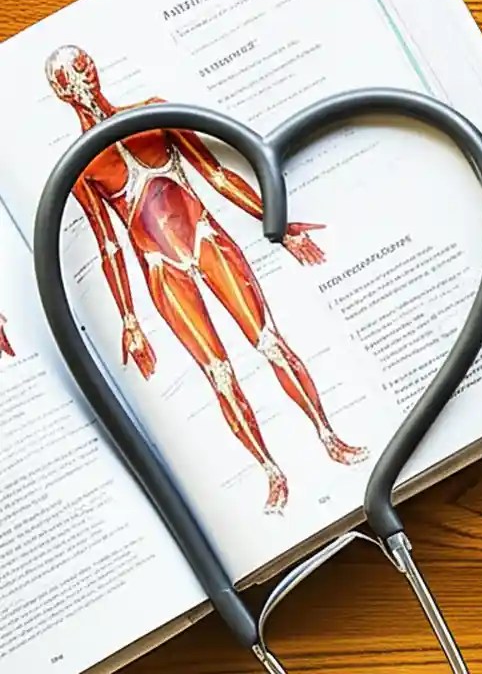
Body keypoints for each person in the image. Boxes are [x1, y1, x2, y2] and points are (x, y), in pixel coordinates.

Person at [45, 44, 366, 514]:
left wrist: (279, 225)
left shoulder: (154, 112)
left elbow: (214, 174)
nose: (80, 82)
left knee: (270, 342)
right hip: (159, 267)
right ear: (59, 93)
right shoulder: (80, 165)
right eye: (68, 79)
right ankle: (272, 472)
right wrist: (130, 320)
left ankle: (328, 436)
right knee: (219, 374)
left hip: (205, 238)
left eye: (83, 68)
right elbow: (109, 244)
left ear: (96, 69)